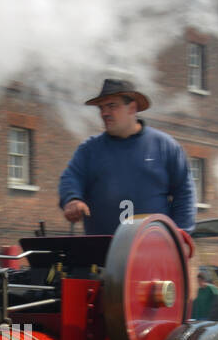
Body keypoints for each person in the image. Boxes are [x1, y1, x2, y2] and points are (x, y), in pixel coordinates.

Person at [58, 78, 196, 234]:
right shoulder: (89, 150)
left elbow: (184, 193)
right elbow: (71, 177)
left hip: (154, 248)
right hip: (101, 250)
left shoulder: (165, 146)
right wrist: (72, 199)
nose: (104, 113)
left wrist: (182, 236)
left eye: (111, 106)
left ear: (132, 108)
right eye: (101, 108)